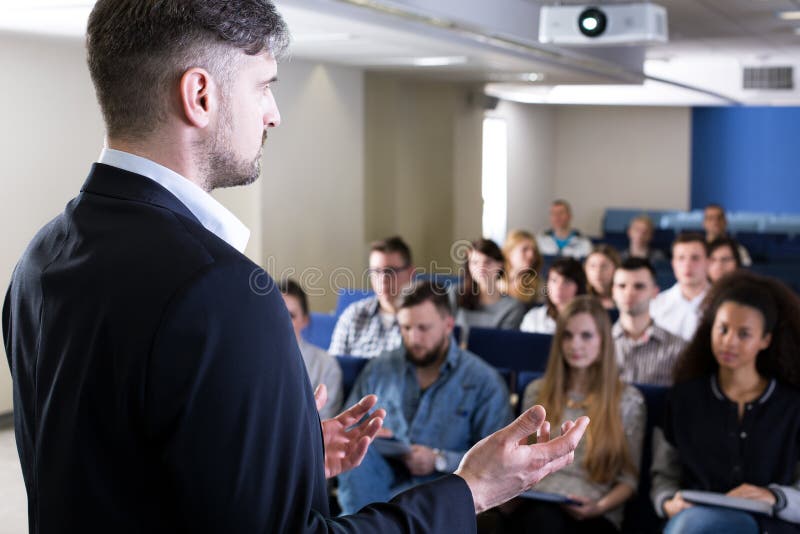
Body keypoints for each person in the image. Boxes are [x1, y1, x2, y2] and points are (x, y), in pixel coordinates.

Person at [2, 2, 590, 532]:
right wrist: (471, 490)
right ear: (200, 95)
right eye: (264, 86)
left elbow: (118, 467)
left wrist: (290, 455)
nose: (274, 114)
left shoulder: (41, 258)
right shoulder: (220, 288)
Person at [338, 281, 513, 513]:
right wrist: (365, 434)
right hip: (377, 485)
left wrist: (439, 459)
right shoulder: (380, 369)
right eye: (406, 328)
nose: (414, 339)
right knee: (357, 449)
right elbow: (345, 431)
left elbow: (497, 463)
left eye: (423, 328)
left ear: (448, 324)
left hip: (441, 492)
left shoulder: (484, 382)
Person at [651, 271, 800, 534]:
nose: (729, 342)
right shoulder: (683, 399)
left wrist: (776, 497)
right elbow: (664, 473)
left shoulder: (792, 406)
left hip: (771, 525)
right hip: (693, 522)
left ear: (765, 340)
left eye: (744, 334)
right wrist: (667, 502)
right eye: (722, 329)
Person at [508, 296, 645, 533]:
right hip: (538, 504)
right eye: (568, 336)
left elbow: (629, 481)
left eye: (586, 336)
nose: (575, 345)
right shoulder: (536, 392)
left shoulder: (628, 400)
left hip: (593, 513)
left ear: (603, 341)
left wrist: (599, 507)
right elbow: (522, 461)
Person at [328, 236, 414, 358]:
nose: (383, 279)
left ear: (410, 273)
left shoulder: (422, 321)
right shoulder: (353, 315)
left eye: (391, 271)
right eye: (376, 271)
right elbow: (333, 367)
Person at [611, 259, 686, 386]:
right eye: (622, 286)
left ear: (654, 292)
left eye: (639, 286)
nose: (629, 293)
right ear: (613, 292)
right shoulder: (597, 345)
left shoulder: (679, 349)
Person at [279, 278, 343, 419]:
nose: (283, 322)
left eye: (291, 315)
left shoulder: (326, 366)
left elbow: (324, 425)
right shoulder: (251, 361)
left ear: (305, 320)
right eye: (277, 313)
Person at [455, 238, 526, 333]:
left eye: (488, 262)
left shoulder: (513, 308)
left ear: (500, 265)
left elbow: (502, 343)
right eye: (475, 262)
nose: (481, 268)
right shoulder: (455, 295)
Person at [650, 232, 710, 340]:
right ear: (673, 264)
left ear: (707, 262)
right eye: (681, 258)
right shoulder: (656, 305)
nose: (687, 265)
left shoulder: (722, 303)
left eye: (695, 258)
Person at [520, 258, 587, 335]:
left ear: (579, 286)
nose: (559, 287)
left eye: (566, 282)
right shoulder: (533, 317)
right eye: (554, 280)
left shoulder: (589, 320)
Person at [500, 229, 544, 309]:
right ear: (509, 253)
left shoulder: (539, 285)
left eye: (534, 251)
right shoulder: (495, 282)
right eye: (525, 249)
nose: (531, 255)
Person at [585, 245, 621, 310]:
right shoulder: (579, 298)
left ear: (616, 268)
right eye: (592, 266)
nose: (598, 272)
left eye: (604, 266)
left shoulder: (624, 298)